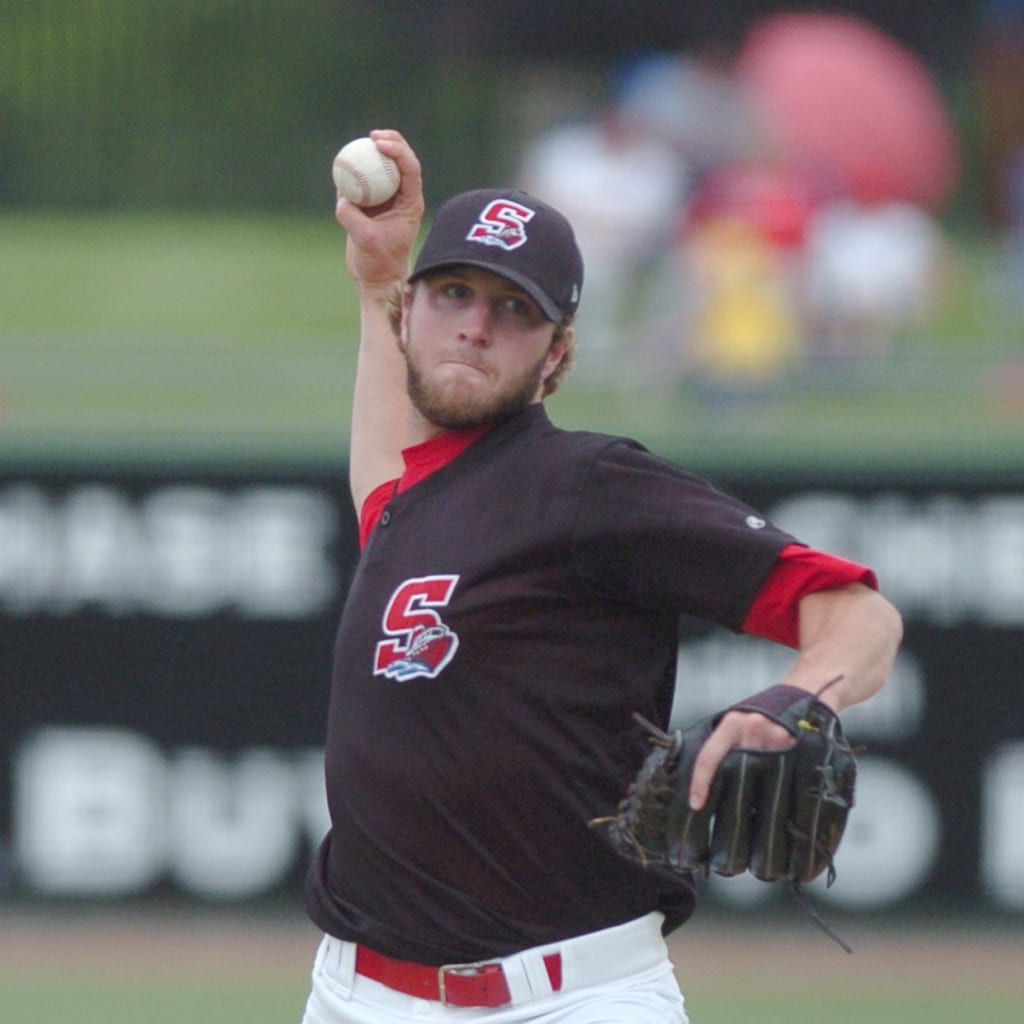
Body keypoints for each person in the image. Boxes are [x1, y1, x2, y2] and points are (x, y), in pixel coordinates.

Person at [299, 129, 903, 1024]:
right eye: (453, 292)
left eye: (514, 309)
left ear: (556, 356)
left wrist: (794, 700)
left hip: (569, 997)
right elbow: (392, 445)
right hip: (354, 997)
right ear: (408, 315)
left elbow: (854, 612)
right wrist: (380, 273)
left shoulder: (593, 486)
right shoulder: (404, 499)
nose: (474, 322)